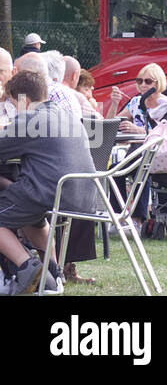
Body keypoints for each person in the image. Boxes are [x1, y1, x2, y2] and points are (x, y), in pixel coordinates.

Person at [0, 70, 96, 295]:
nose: (14, 109)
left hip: (50, 191)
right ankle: (53, 272)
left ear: (24, 100)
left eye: (13, 104)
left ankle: (28, 269)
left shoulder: (31, 118)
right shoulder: (65, 115)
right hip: (83, 193)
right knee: (33, 218)